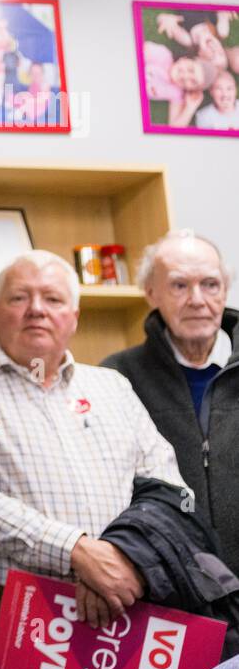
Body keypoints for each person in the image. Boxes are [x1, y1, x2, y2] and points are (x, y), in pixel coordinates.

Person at [0, 252, 187, 661]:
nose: (36, 309)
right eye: (19, 298)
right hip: (8, 610)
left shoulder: (112, 386)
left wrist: (122, 557)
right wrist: (77, 552)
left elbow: (166, 483)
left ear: (74, 315)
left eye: (52, 299)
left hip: (125, 601)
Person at [103, 231, 238, 571]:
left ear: (225, 289)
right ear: (151, 293)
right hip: (169, 583)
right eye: (179, 286)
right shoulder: (115, 378)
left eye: (210, 284)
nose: (197, 299)